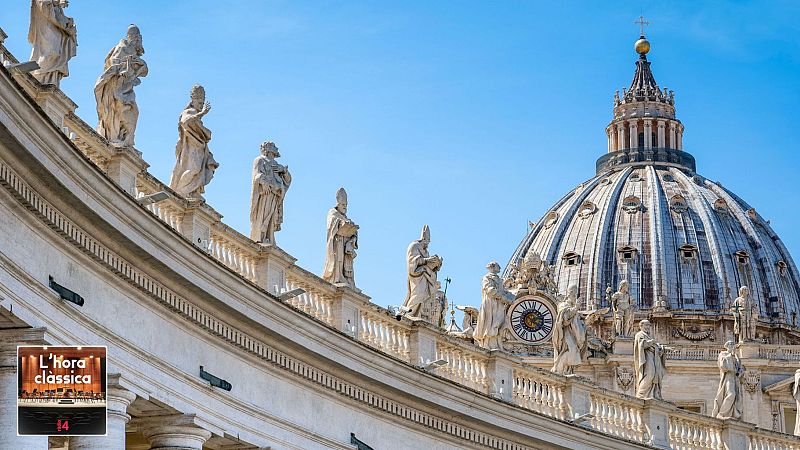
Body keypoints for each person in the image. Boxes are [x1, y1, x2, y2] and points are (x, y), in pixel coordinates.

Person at [94, 25, 148, 147]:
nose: (139, 42)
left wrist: (139, 65)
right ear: (133, 38)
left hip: (126, 88)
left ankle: (125, 138)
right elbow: (114, 62)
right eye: (138, 39)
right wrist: (124, 67)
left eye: (140, 40)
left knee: (134, 111)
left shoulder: (134, 52)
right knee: (119, 110)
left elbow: (145, 71)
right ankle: (116, 136)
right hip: (116, 87)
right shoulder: (122, 47)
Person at [169, 85, 218, 199]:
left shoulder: (197, 117)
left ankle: (191, 191)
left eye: (202, 103)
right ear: (193, 101)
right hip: (191, 147)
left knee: (198, 170)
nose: (201, 106)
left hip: (199, 148)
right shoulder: (189, 111)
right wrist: (202, 113)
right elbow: (185, 121)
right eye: (200, 103)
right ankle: (180, 191)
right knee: (194, 169)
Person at [249, 142, 291, 244]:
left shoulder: (277, 165)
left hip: (275, 194)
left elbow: (288, 180)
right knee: (262, 214)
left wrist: (284, 171)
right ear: (267, 149)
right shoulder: (259, 160)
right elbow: (256, 174)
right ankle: (260, 237)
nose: (275, 148)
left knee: (272, 216)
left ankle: (269, 237)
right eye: (273, 147)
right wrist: (263, 183)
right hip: (265, 192)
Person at [28, 0, 77, 87]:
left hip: (55, 30)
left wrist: (67, 23)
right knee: (50, 54)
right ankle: (38, 79)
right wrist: (67, 26)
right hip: (47, 30)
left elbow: (57, 14)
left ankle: (51, 81)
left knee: (56, 55)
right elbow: (47, 10)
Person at [400, 225, 442, 322]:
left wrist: (436, 264)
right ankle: (408, 315)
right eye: (426, 241)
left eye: (429, 241)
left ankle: (418, 315)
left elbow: (428, 265)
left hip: (426, 276)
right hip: (417, 276)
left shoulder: (426, 251)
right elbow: (412, 262)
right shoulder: (414, 246)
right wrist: (428, 260)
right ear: (423, 238)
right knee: (417, 295)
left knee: (423, 298)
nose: (427, 244)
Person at [322, 188, 358, 288]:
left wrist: (353, 232)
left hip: (345, 242)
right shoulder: (332, 212)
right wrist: (342, 223)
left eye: (346, 205)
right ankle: (337, 277)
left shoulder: (345, 216)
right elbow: (332, 222)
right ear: (338, 203)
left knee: (344, 261)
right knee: (338, 259)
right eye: (343, 205)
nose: (345, 207)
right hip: (337, 242)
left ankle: (345, 278)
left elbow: (352, 230)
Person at [474, 262, 514, 350]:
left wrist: (511, 296)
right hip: (491, 303)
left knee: (498, 321)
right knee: (490, 322)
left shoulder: (499, 280)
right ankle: (489, 342)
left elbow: (503, 290)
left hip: (499, 303)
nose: (499, 267)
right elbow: (489, 290)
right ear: (493, 267)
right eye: (497, 266)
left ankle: (495, 341)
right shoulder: (487, 278)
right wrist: (502, 297)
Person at [551, 285, 587, 375]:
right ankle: (559, 369)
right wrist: (575, 308)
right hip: (565, 335)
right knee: (570, 351)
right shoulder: (563, 305)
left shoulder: (572, 307)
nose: (575, 298)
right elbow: (564, 317)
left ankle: (567, 370)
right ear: (569, 295)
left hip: (572, 334)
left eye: (575, 296)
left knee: (573, 351)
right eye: (574, 296)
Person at [633, 319, 667, 400]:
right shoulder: (639, 334)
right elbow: (643, 344)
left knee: (655, 374)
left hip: (653, 357)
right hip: (646, 357)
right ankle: (641, 395)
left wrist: (661, 348)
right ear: (641, 326)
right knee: (650, 374)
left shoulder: (648, 336)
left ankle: (653, 394)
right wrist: (652, 342)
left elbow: (653, 346)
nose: (648, 327)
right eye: (646, 325)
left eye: (649, 325)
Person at [711, 340, 744, 420]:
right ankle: (722, 413)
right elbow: (722, 366)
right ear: (727, 346)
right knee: (731, 394)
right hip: (728, 376)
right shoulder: (723, 354)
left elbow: (740, 368)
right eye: (731, 344)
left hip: (735, 377)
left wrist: (740, 372)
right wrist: (730, 355)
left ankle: (731, 413)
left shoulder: (736, 356)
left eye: (733, 344)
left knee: (736, 397)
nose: (732, 346)